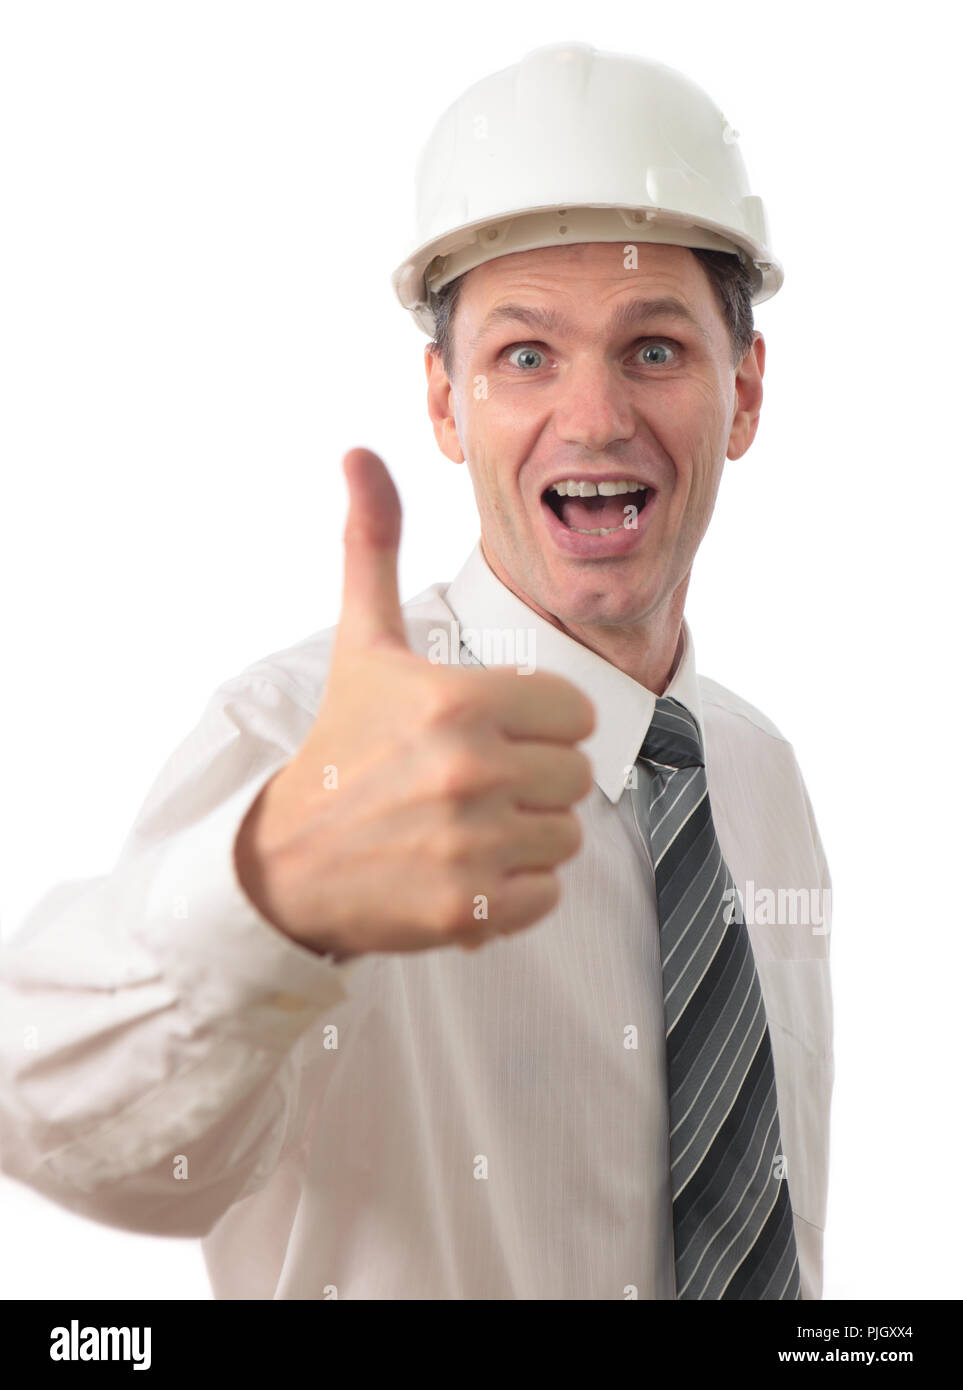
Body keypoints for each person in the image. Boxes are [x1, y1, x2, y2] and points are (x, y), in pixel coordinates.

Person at [0, 41, 833, 1300]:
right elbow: (60, 1116)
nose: (596, 416)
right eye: (525, 356)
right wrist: (274, 891)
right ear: (445, 404)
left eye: (654, 349)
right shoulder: (306, 746)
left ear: (746, 392)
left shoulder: (761, 778)